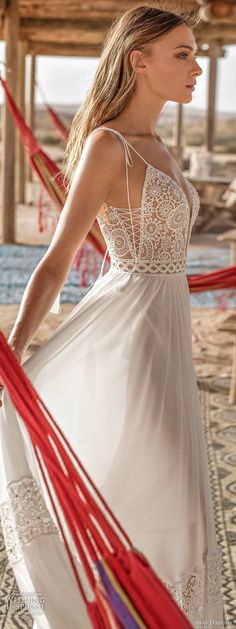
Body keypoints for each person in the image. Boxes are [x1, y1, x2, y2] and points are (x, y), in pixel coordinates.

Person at [0, 4, 224, 628]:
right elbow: (54, 263)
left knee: (170, 499)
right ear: (139, 60)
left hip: (167, 331)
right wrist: (14, 356)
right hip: (128, 335)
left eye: (196, 53)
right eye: (182, 54)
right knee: (157, 489)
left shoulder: (164, 148)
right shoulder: (109, 146)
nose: (197, 67)